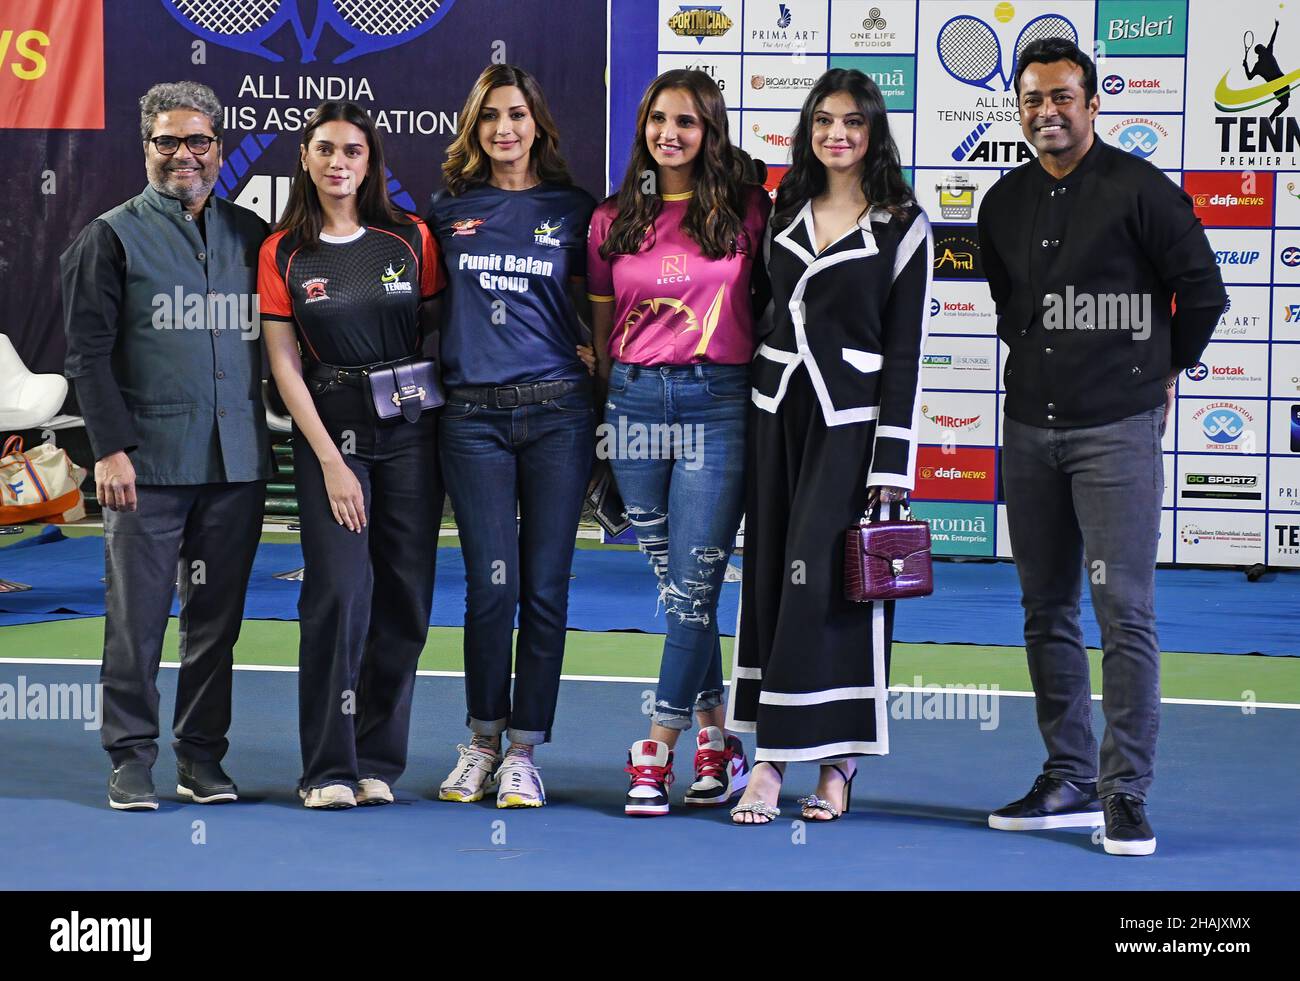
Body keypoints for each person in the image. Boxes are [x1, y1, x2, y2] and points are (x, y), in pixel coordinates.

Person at [977, 39, 1226, 855]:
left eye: (1062, 96)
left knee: (1125, 612)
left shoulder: (1139, 189)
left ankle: (1125, 792)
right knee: (1045, 609)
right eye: (1032, 99)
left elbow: (1204, 292)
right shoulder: (1002, 202)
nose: (1046, 110)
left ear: (1091, 102)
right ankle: (1069, 778)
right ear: (1018, 108)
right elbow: (1010, 303)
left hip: (1115, 431)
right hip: (1027, 428)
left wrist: (1161, 366)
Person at [61, 81, 272, 811]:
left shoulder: (251, 236)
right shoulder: (109, 236)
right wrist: (108, 451)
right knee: (137, 620)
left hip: (235, 467)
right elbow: (86, 355)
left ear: (219, 147)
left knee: (216, 627)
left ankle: (202, 758)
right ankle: (129, 756)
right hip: (145, 467)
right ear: (145, 147)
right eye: (167, 142)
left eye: (198, 141)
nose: (184, 154)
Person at [727, 68, 931, 825]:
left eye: (851, 121)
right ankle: (774, 752)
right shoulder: (783, 207)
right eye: (823, 122)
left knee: (835, 590)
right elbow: (761, 308)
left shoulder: (904, 224)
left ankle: (826, 766)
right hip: (776, 413)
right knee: (774, 583)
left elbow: (906, 352)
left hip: (851, 430)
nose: (836, 134)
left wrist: (891, 462)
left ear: (873, 131)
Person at [588, 69, 768, 816]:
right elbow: (602, 331)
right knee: (678, 592)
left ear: (710, 130)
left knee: (692, 588)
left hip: (717, 402)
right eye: (658, 118)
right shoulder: (610, 218)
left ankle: (654, 746)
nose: (670, 132)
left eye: (687, 121)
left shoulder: (748, 212)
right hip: (631, 404)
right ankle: (716, 739)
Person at [258, 101, 445, 810]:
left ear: (371, 164)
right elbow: (282, 363)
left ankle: (376, 761)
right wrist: (332, 461)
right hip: (329, 440)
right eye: (326, 149)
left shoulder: (410, 239)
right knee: (338, 593)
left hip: (410, 436)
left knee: (406, 600)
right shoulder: (281, 251)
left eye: (354, 152)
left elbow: (435, 331)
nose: (339, 162)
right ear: (305, 158)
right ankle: (326, 768)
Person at [427, 65, 597, 808]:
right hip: (472, 422)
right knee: (491, 589)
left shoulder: (576, 208)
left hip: (559, 413)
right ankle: (481, 739)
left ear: (539, 126)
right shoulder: (447, 211)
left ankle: (525, 752)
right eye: (491, 115)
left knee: (546, 588)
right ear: (475, 126)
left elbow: (603, 307)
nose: (504, 128)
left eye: (518, 115)